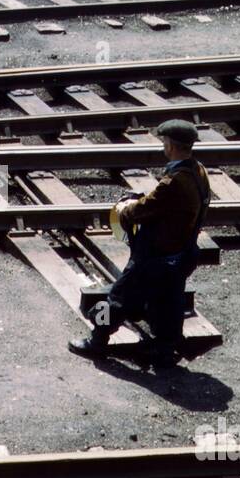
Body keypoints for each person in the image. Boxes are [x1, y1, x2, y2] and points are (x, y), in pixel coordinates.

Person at [69, 118, 210, 368]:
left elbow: (144, 208)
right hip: (181, 254)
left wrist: (124, 210)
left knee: (118, 297)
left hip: (156, 257)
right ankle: (165, 350)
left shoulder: (174, 181)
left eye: (164, 142)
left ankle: (97, 341)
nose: (163, 146)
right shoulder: (199, 171)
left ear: (171, 146)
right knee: (169, 302)